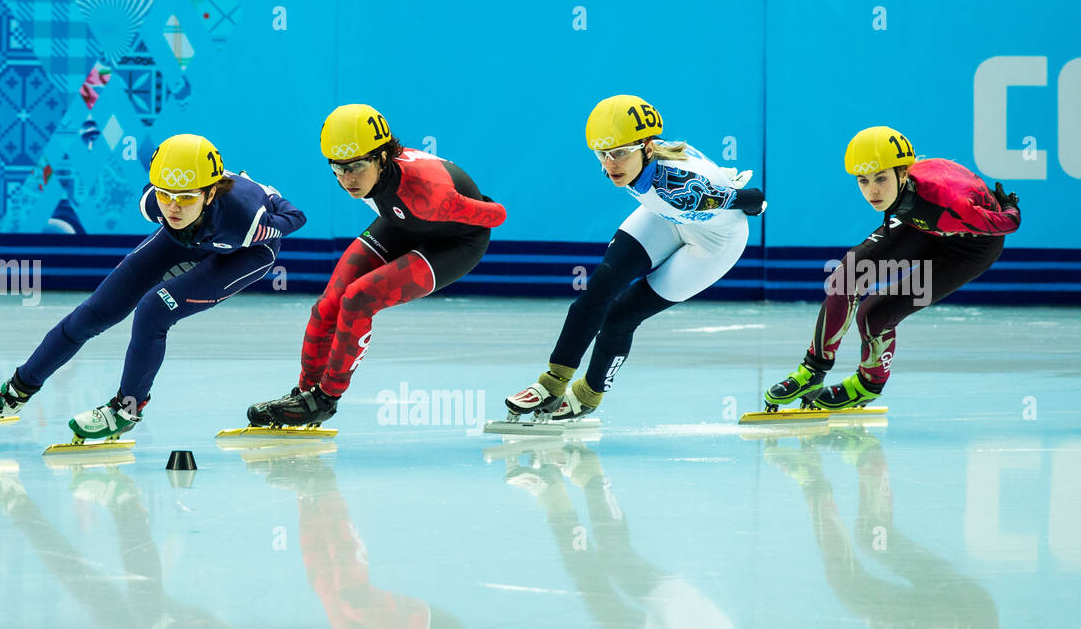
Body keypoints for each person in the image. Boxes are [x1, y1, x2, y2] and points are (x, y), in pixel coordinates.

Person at [0, 133, 306, 439]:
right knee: (94, 313)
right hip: (184, 238)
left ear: (211, 193)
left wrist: (269, 194)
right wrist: (178, 203)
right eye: (166, 194)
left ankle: (127, 408)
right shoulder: (154, 204)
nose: (173, 206)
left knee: (154, 309)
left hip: (244, 254)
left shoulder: (248, 220)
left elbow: (296, 217)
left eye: (186, 197)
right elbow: (171, 204)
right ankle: (15, 393)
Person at [506, 94, 765, 422]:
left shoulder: (682, 187)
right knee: (601, 286)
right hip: (666, 217)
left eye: (620, 153)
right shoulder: (627, 161)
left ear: (647, 148)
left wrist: (728, 193)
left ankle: (589, 394)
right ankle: (552, 383)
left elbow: (754, 199)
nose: (610, 164)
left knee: (620, 317)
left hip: (714, 244)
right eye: (602, 154)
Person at [246, 103, 506, 427]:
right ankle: (305, 395)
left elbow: (497, 215)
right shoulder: (377, 173)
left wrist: (466, 205)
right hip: (402, 221)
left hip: (455, 242)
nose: (347, 178)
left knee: (359, 299)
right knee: (327, 307)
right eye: (338, 168)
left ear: (382, 157)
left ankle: (326, 399)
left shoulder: (426, 193)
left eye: (356, 166)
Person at [765, 125, 1021, 411]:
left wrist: (1009, 206)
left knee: (874, 314)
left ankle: (868, 384)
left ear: (903, 174)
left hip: (969, 249)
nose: (872, 191)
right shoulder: (906, 191)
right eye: (863, 180)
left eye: (880, 178)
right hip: (921, 223)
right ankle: (813, 370)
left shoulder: (948, 205)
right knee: (848, 275)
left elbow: (1010, 224)